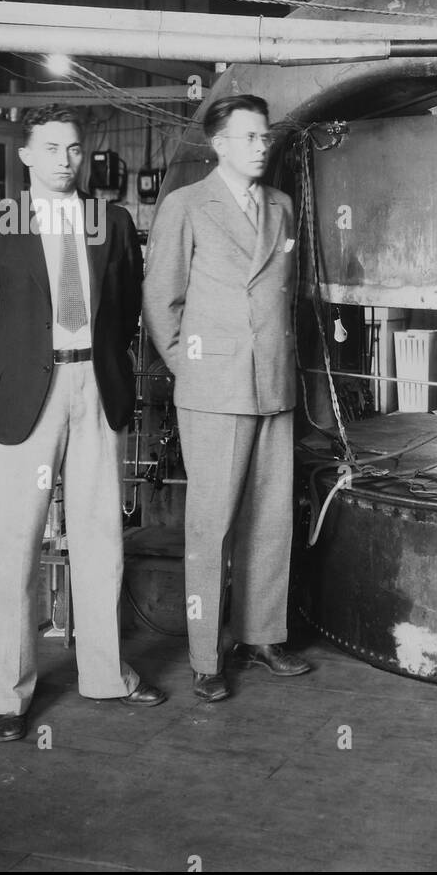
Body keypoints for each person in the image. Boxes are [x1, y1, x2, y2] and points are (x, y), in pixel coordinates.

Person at [0, 104, 165, 741]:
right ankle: (7, 693)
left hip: (95, 387)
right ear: (25, 155)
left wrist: (103, 371)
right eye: (50, 149)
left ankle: (105, 673)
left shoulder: (113, 223)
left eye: (73, 149)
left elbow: (125, 311)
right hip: (26, 396)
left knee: (101, 539)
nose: (65, 161)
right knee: (14, 547)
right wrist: (8, 377)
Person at [142, 94, 311, 702]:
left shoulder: (282, 206)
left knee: (270, 519)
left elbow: (286, 297)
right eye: (249, 138)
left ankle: (261, 636)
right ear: (218, 145)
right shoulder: (187, 205)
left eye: (265, 137)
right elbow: (160, 301)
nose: (262, 147)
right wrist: (193, 369)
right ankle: (205, 655)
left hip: (273, 382)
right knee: (210, 527)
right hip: (214, 387)